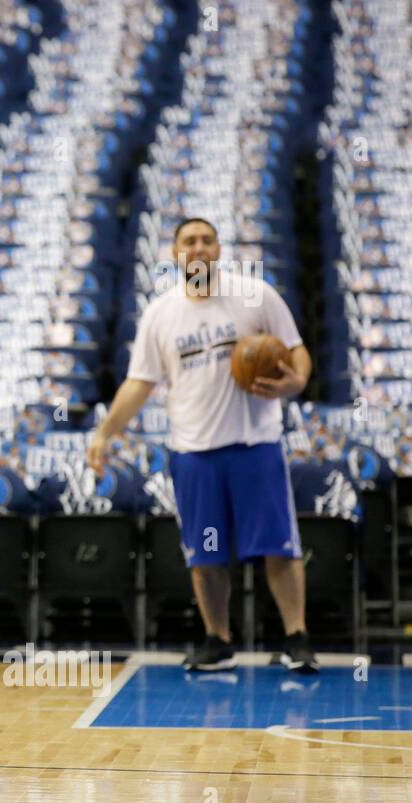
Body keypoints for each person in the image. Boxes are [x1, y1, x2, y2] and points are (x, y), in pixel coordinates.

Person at [89, 217, 317, 673]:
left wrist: (298, 381)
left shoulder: (256, 295)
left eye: (206, 240)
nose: (198, 248)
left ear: (218, 249)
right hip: (194, 453)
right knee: (205, 553)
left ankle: (296, 636)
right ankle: (218, 639)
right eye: (188, 242)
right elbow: (139, 383)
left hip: (255, 445)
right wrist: (104, 432)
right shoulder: (161, 314)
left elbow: (296, 349)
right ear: (175, 254)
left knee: (279, 546)